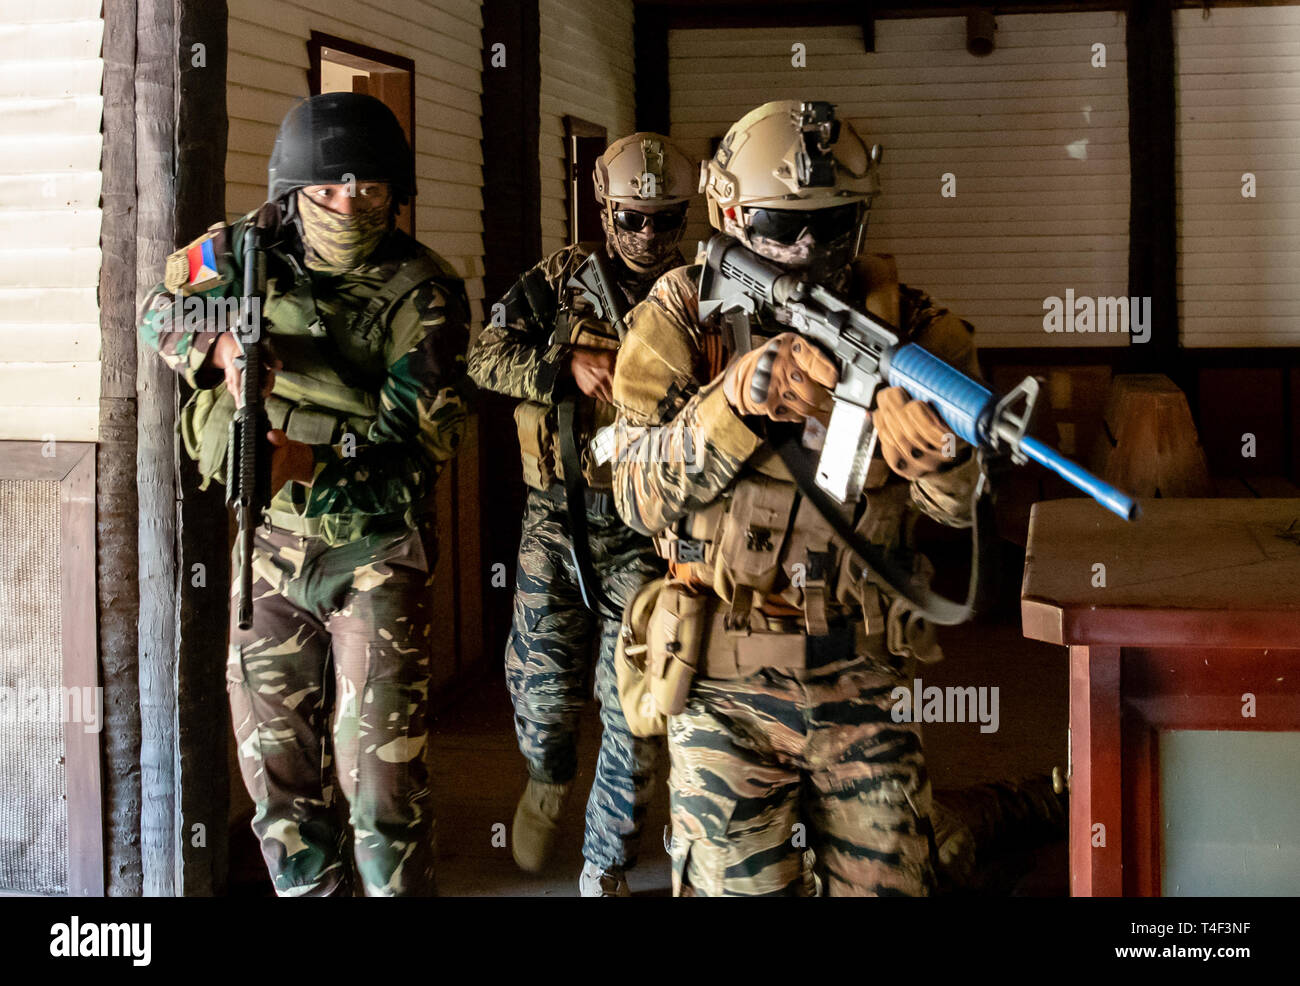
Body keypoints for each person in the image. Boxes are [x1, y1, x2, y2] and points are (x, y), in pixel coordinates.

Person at [610, 100, 986, 896]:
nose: (808, 249)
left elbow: (958, 510)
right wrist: (733, 404)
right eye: (781, 227)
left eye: (834, 225)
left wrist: (939, 462)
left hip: (860, 671)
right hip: (719, 681)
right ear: (732, 214)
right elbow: (636, 495)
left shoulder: (916, 333)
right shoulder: (681, 315)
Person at [138, 91, 472, 897]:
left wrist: (301, 445)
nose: (347, 206)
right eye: (328, 191)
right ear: (295, 191)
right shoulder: (243, 248)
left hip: (375, 550)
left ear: (396, 193)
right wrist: (217, 346)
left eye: (367, 191)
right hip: (268, 548)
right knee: (277, 776)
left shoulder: (423, 291)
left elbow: (417, 443)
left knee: (381, 786)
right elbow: (154, 308)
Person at [467, 132, 696, 896]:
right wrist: (563, 363)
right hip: (557, 515)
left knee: (634, 703)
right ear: (605, 209)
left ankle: (608, 861)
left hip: (654, 527)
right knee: (540, 689)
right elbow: (484, 356)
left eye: (666, 220)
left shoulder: (703, 290)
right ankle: (548, 773)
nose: (648, 237)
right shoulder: (563, 278)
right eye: (632, 218)